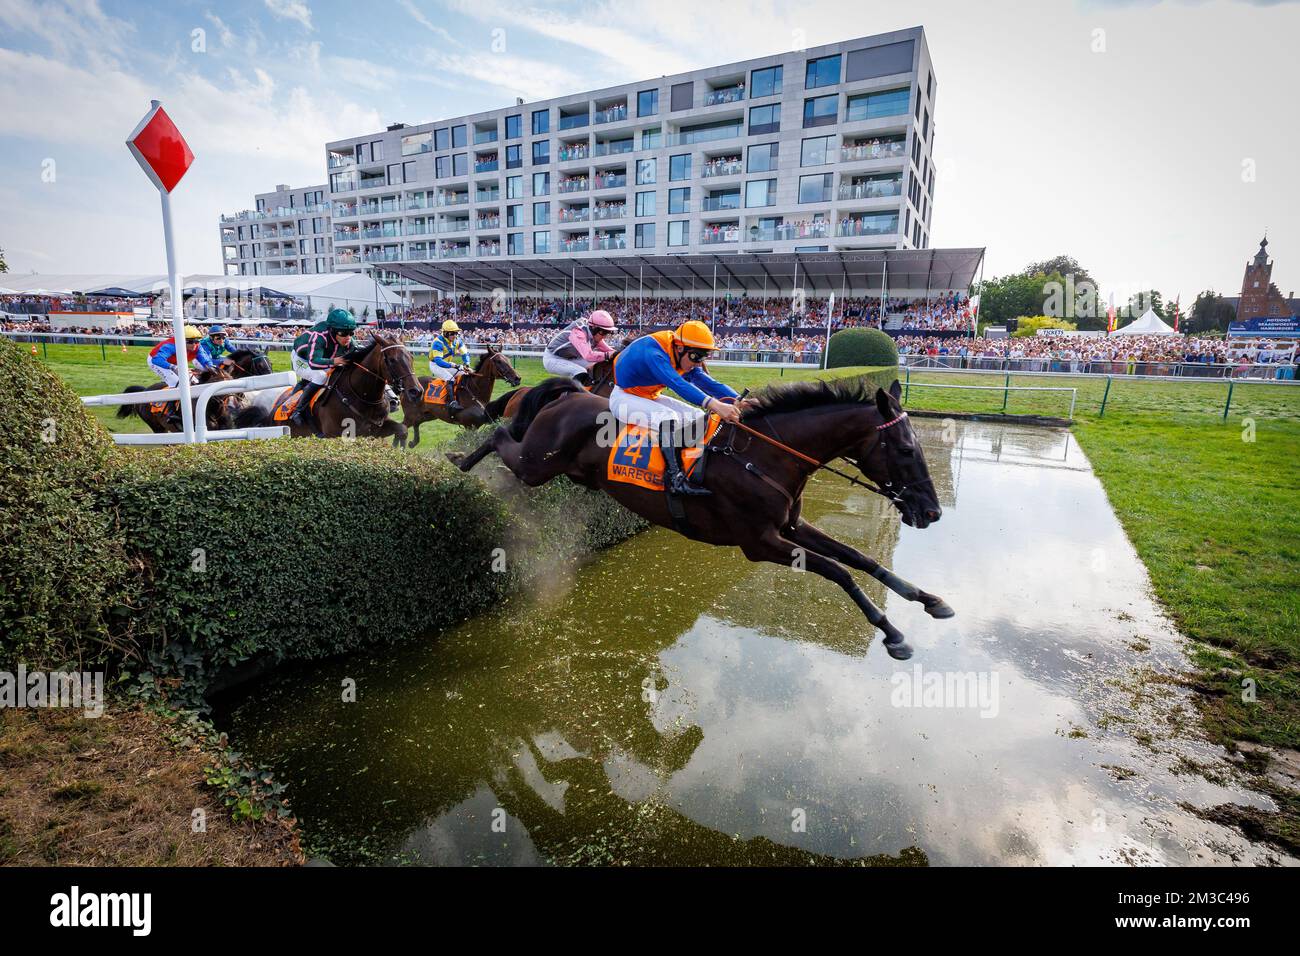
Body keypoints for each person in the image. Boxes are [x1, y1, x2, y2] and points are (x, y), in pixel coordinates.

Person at [610, 320, 742, 497]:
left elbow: (706, 382)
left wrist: (737, 399)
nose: (698, 363)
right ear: (680, 348)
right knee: (667, 417)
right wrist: (716, 404)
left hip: (646, 395)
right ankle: (674, 479)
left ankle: (690, 465)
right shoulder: (655, 354)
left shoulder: (681, 351)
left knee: (696, 415)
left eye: (702, 358)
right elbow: (678, 384)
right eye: (696, 357)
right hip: (623, 397)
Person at [289, 308, 356, 428]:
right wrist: (334, 361)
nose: (348, 337)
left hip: (324, 358)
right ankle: (298, 411)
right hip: (302, 359)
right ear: (333, 331)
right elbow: (314, 363)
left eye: (351, 333)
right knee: (320, 376)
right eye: (343, 333)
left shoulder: (349, 341)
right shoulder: (319, 336)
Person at [542, 309, 616, 383]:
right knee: (580, 372)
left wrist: (617, 353)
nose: (605, 336)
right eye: (603, 332)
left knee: (597, 366)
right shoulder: (578, 332)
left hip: (571, 357)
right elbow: (588, 356)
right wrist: (608, 355)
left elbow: (609, 350)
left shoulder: (593, 332)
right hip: (553, 358)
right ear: (594, 328)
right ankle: (570, 393)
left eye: (607, 333)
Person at [428, 319, 471, 413]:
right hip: (436, 365)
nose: (454, 336)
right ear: (445, 333)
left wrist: (467, 364)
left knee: (465, 373)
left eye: (456, 333)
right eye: (452, 333)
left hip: (448, 364)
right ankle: (451, 402)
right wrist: (454, 365)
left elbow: (465, 353)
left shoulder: (457, 341)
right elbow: (439, 361)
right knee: (450, 378)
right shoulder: (437, 342)